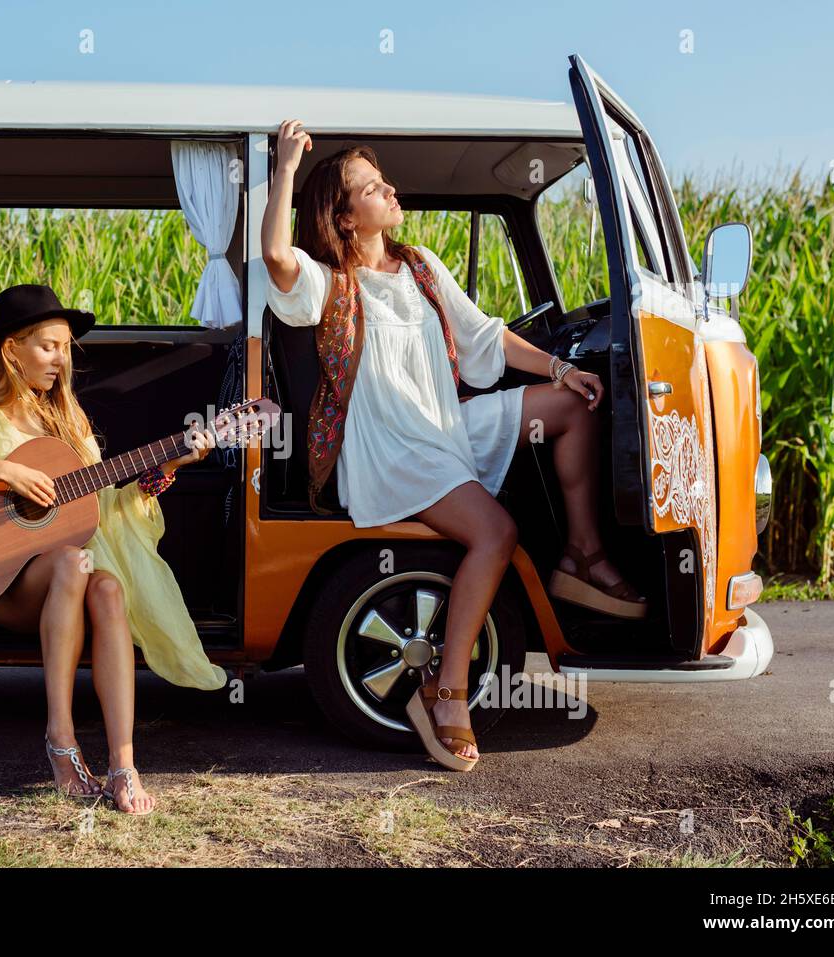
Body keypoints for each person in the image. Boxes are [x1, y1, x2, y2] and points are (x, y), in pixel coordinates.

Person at [261, 120, 646, 772]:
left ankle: (580, 556)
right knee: (496, 532)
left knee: (573, 408)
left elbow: (485, 339)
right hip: (387, 447)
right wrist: (284, 169)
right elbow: (275, 255)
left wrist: (558, 369)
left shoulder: (420, 266)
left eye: (383, 181)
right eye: (370, 186)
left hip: (443, 425)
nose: (388, 190)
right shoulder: (329, 283)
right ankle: (447, 693)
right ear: (346, 216)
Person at [0, 284, 227, 814]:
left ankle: (123, 764)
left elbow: (99, 506)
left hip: (69, 579)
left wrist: (166, 467)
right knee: (74, 563)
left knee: (110, 589)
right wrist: (5, 470)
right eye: (49, 345)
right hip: (2, 584)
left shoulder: (67, 425)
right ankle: (61, 742)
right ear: (11, 350)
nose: (62, 357)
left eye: (66, 345)